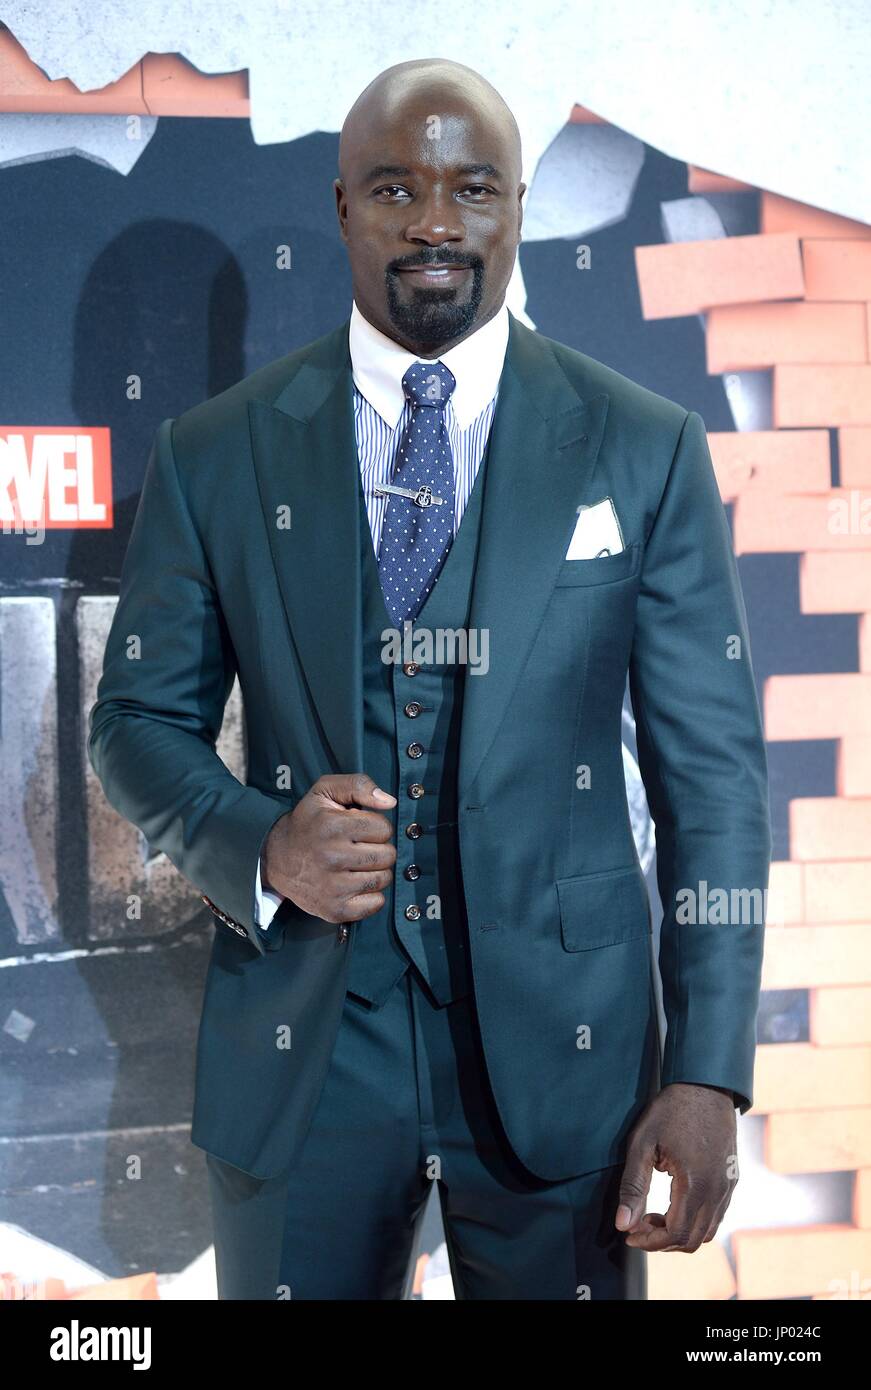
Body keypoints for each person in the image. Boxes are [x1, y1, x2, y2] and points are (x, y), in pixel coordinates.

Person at [88, 57, 771, 1300]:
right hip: (305, 1058)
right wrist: (258, 843)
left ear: (519, 210)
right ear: (342, 205)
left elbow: (712, 780)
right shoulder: (214, 453)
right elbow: (133, 720)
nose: (437, 222)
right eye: (396, 187)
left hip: (568, 1070)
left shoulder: (643, 445)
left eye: (475, 188)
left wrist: (708, 1068)